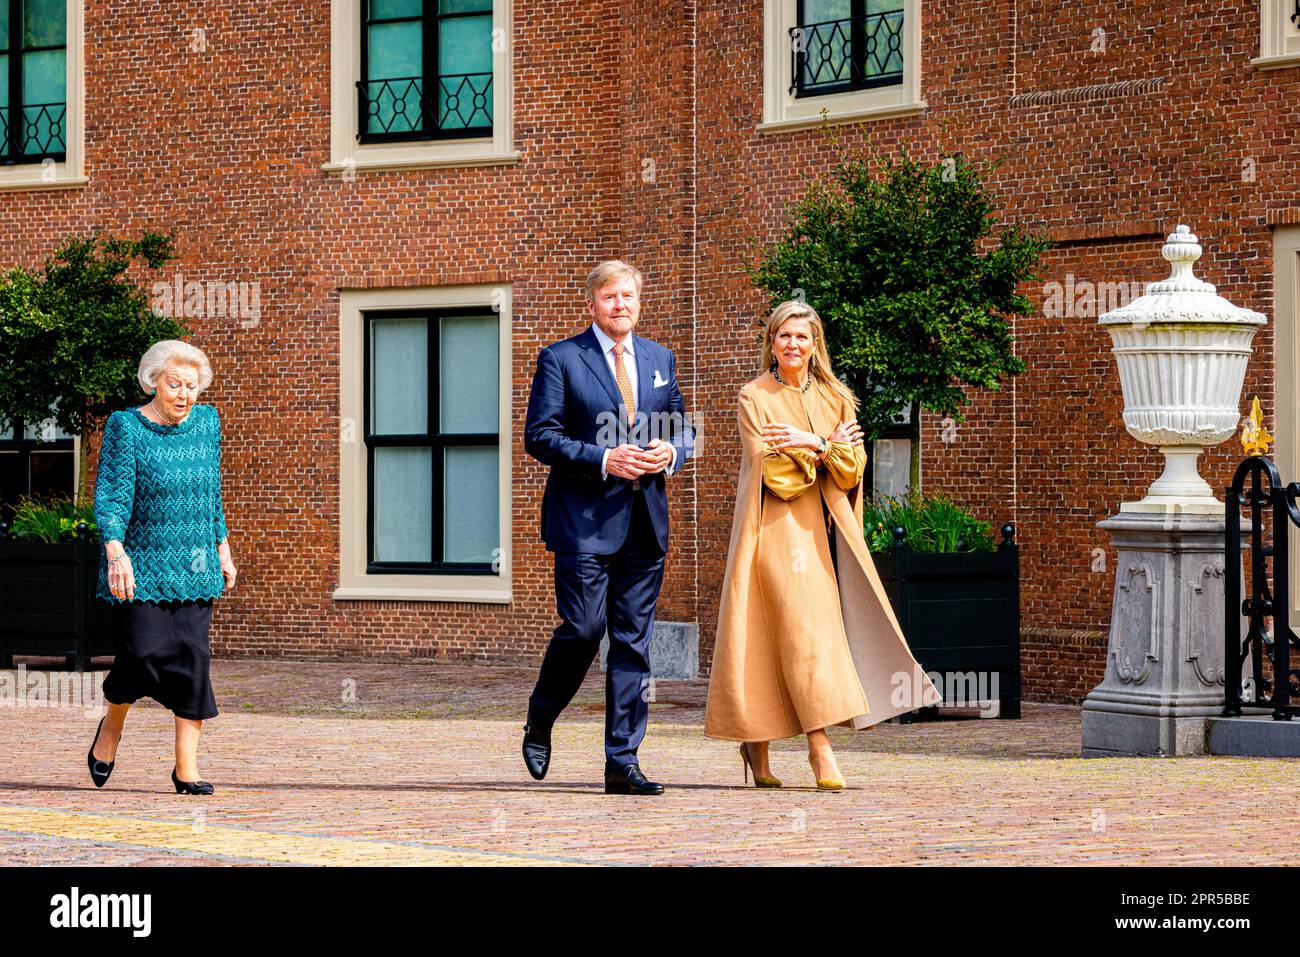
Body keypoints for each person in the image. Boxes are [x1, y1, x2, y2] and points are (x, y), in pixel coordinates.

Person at [704, 300, 941, 789]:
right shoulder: (754, 397)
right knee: (795, 632)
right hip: (773, 530)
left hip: (825, 534)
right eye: (784, 336)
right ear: (771, 341)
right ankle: (820, 748)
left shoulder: (838, 396)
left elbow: (853, 470)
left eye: (802, 337)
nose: (793, 345)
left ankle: (759, 746)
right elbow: (776, 475)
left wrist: (807, 443)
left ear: (816, 345)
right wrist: (825, 447)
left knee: (789, 635)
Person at [521, 260, 695, 795]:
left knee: (633, 644)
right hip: (584, 523)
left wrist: (674, 450)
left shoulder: (660, 358)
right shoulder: (560, 359)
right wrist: (602, 458)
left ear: (638, 302)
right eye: (609, 297)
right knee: (583, 629)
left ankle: (622, 761)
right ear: (592, 305)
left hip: (646, 521)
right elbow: (539, 436)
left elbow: (683, 428)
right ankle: (542, 716)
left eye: (628, 296)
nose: (621, 305)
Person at [87, 340, 237, 796]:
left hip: (196, 564)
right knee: (142, 654)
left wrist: (223, 548)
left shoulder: (207, 424)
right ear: (154, 381)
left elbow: (210, 493)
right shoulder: (126, 427)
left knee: (194, 662)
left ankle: (185, 768)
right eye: (175, 384)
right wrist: (116, 550)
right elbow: (111, 498)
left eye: (192, 386)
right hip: (141, 565)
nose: (184, 394)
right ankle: (111, 727)